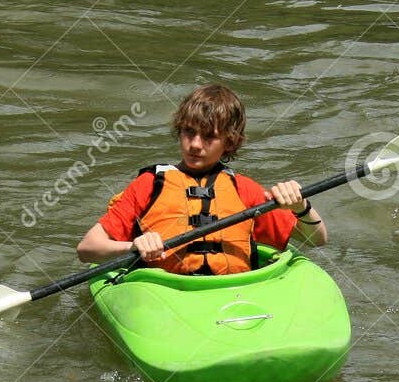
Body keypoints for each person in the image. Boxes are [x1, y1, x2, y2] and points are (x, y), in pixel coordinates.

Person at [77, 84, 327, 273]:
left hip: (235, 290)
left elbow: (316, 240)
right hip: (164, 291)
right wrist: (133, 246)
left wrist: (300, 207)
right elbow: (87, 249)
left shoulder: (244, 190)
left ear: (229, 141)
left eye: (209, 136)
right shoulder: (149, 185)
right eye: (188, 132)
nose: (195, 145)